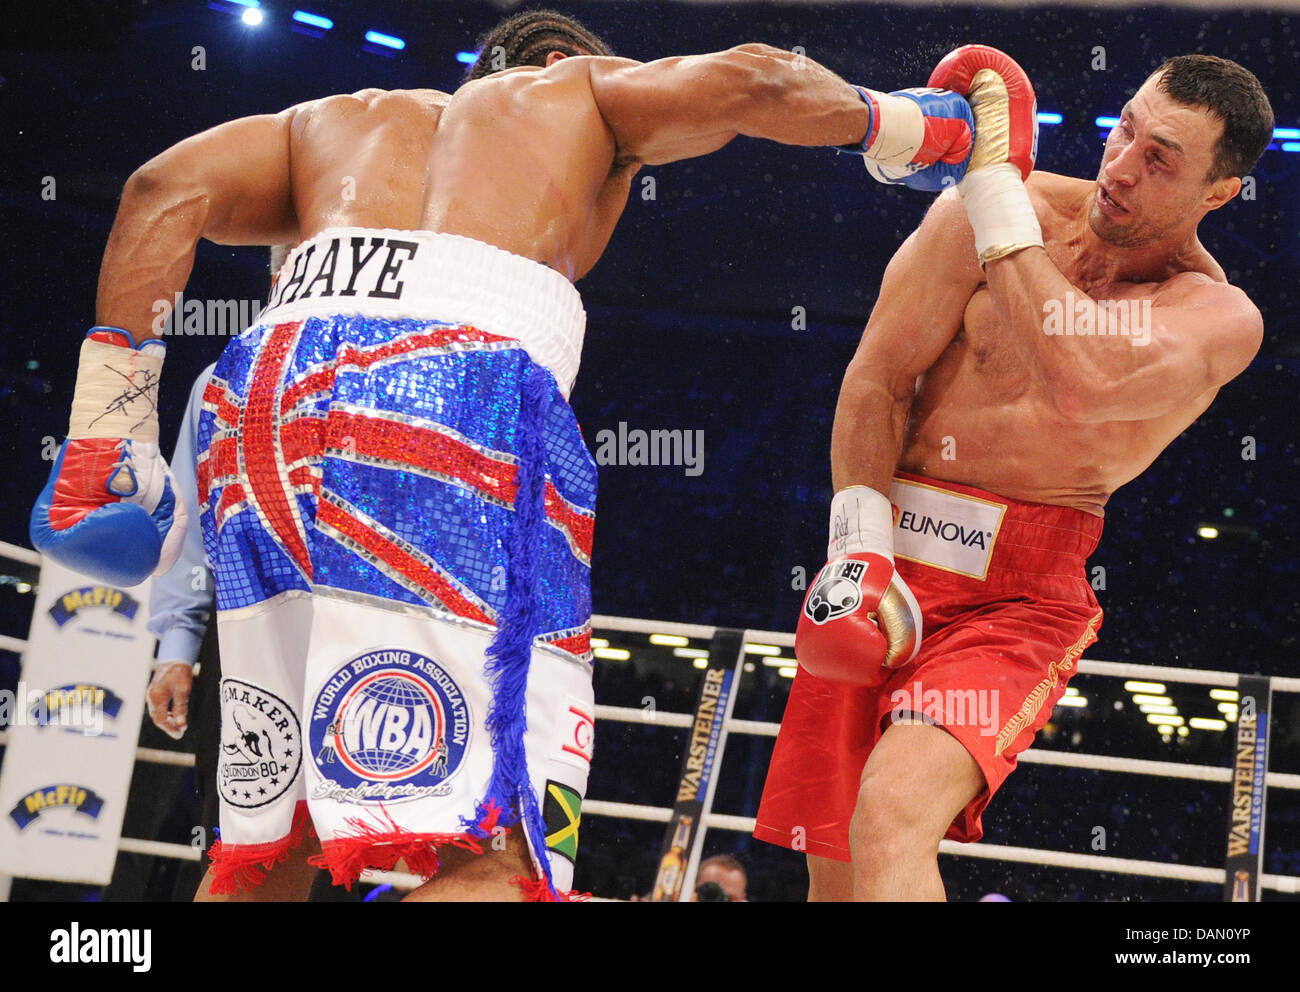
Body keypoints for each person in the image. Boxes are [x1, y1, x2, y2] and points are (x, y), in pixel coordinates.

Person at [30, 9, 978, 902]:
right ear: (564, 68)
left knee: (274, 843)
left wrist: (106, 440)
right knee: (513, 845)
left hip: (264, 401)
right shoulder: (584, 98)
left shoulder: (336, 121)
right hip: (446, 398)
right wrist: (911, 128)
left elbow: (160, 190)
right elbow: (753, 78)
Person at [754, 51, 1273, 901]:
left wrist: (993, 197)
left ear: (1218, 193)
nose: (1122, 166)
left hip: (1014, 602)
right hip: (883, 551)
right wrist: (858, 543)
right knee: (838, 868)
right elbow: (877, 377)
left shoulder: (1215, 315)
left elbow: (1086, 380)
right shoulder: (996, 204)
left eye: (1161, 159)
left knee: (891, 814)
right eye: (1126, 129)